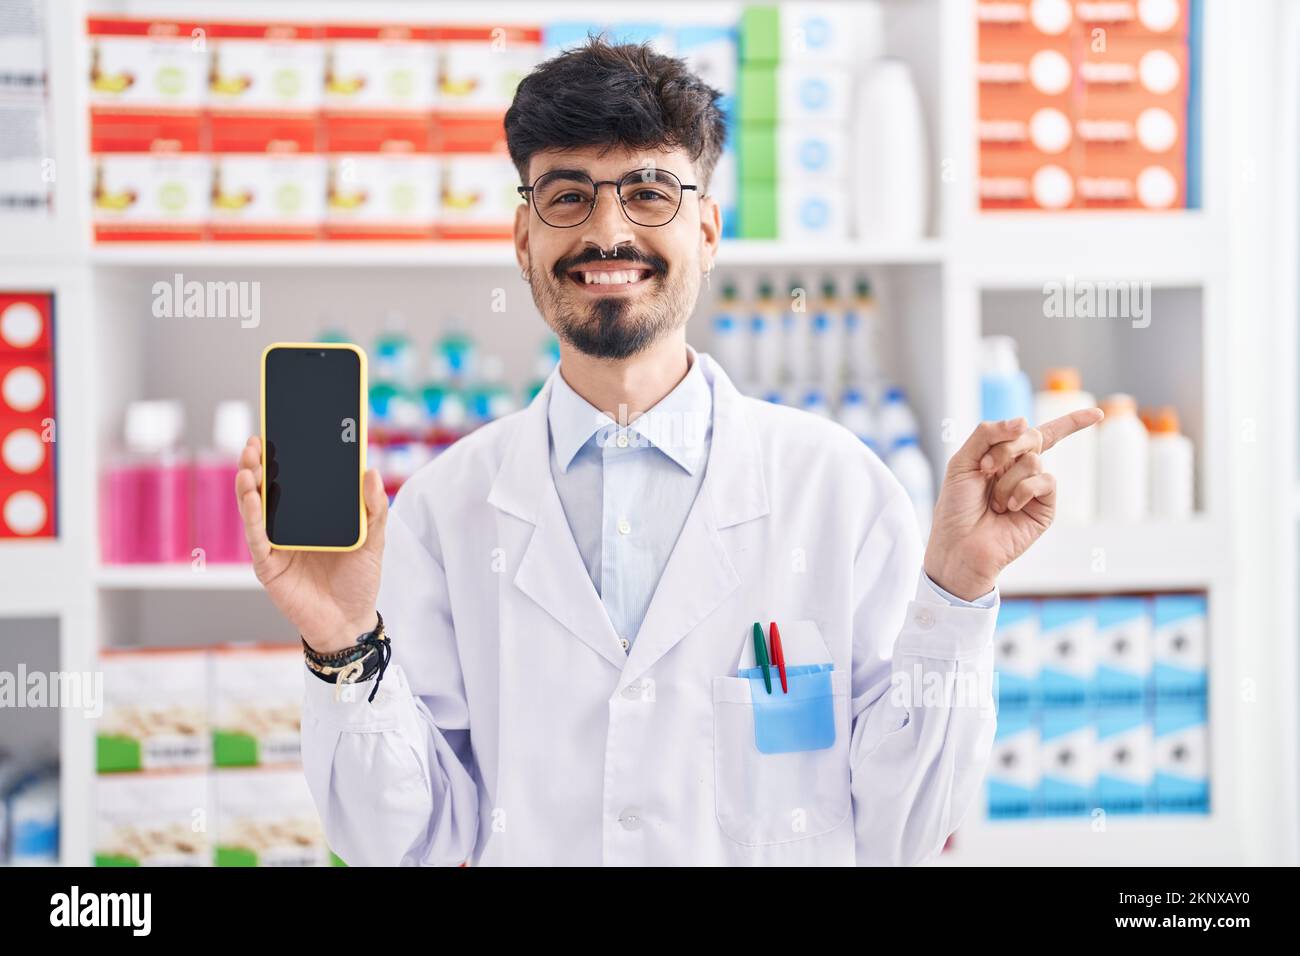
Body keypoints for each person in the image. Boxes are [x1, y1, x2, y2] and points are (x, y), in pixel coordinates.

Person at [234, 39, 1101, 866]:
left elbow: (903, 825)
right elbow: (401, 840)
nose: (608, 232)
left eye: (649, 192)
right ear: (522, 240)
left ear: (710, 229)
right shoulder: (443, 508)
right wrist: (344, 644)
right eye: (567, 196)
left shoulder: (837, 489)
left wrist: (955, 592)